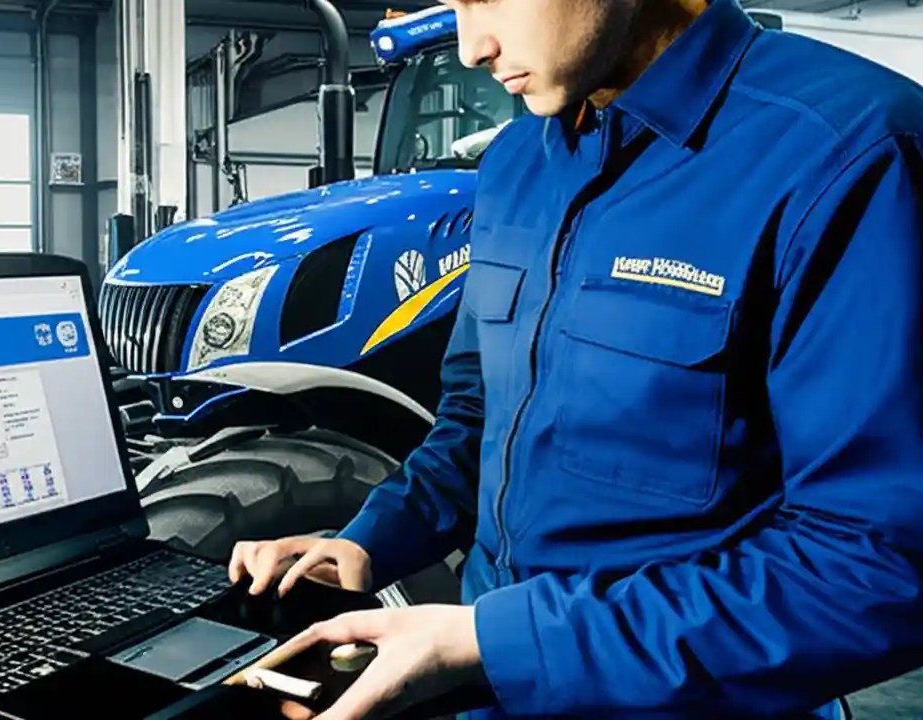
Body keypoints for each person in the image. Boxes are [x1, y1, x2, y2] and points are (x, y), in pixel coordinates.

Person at [228, 0, 923, 718]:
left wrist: (499, 643)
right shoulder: (516, 161)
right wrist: (370, 543)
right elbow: (479, 416)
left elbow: (878, 566)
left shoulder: (850, 156)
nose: (472, 46)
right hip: (487, 690)